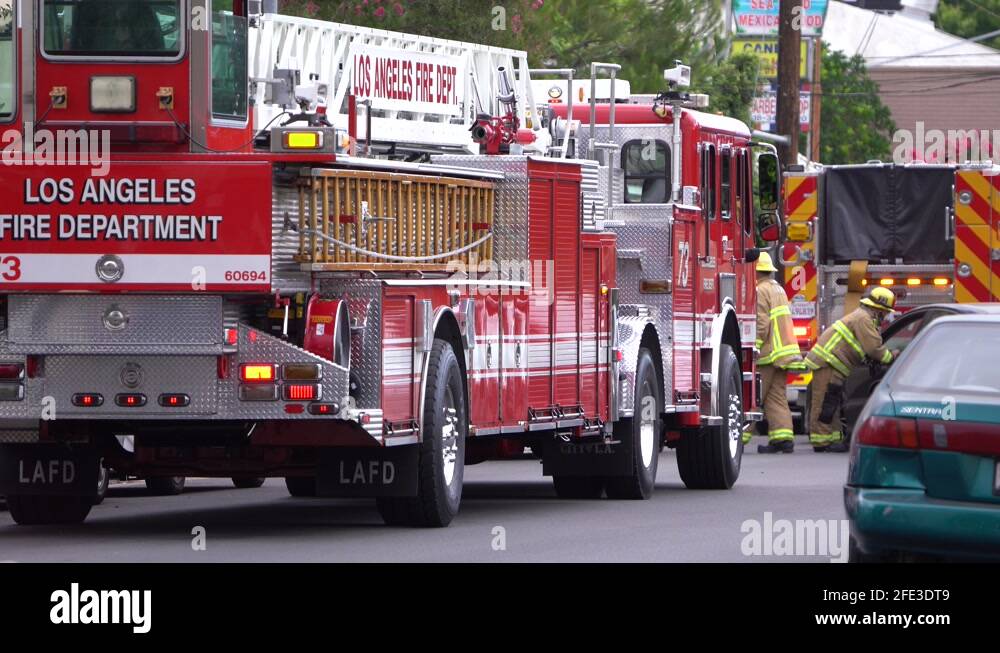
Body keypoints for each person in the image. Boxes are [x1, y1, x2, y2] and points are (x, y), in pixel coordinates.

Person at [804, 286, 898, 452]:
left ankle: (831, 439)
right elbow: (873, 348)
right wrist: (892, 357)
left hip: (834, 363)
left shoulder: (864, 318)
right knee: (823, 402)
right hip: (827, 362)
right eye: (885, 312)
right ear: (878, 309)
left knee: (831, 402)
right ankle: (821, 442)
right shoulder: (864, 319)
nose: (885, 316)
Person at [744, 252, 803, 454]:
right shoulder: (777, 289)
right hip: (782, 354)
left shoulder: (760, 290)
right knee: (776, 396)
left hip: (768, 354)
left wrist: (754, 347)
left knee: (752, 396)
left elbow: (761, 322)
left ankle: (738, 438)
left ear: (755, 270)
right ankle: (783, 439)